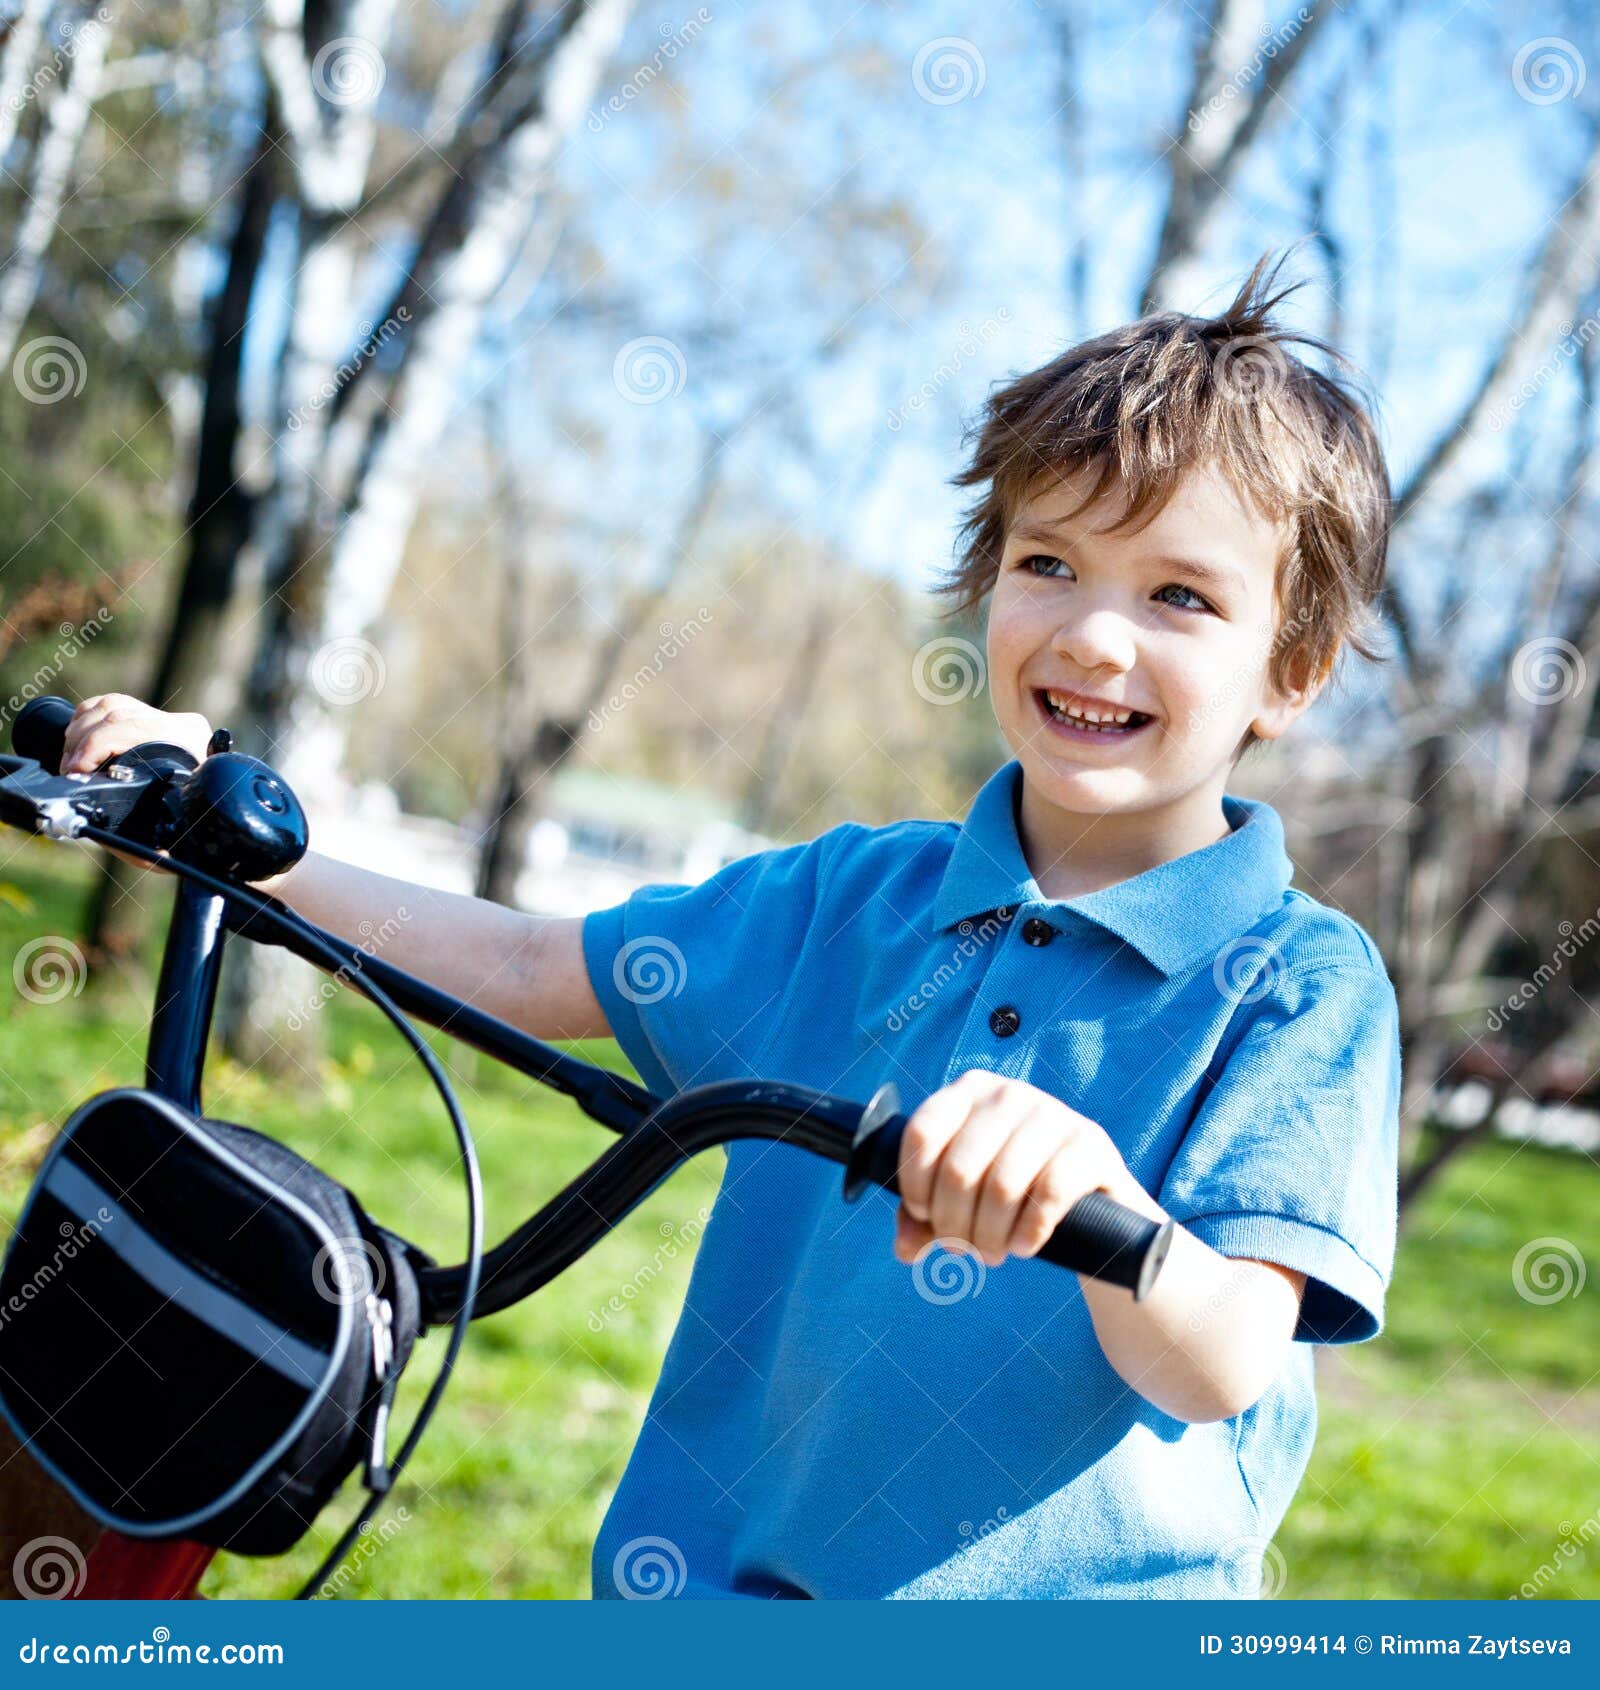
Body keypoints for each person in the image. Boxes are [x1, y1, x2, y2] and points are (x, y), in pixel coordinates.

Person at [64, 250, 1400, 1600]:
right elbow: (529, 964)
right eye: (1050, 562)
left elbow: (1225, 1352)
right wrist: (242, 833)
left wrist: (1111, 1214)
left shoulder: (1294, 985)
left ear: (1285, 672)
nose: (1095, 638)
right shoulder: (850, 898)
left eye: (1180, 595)